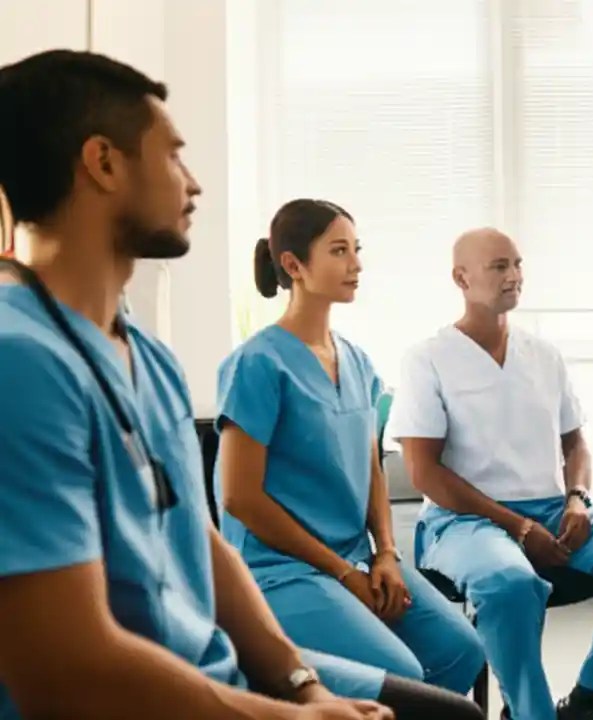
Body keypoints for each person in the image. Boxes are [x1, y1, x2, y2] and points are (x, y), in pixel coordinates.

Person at [0, 49, 394, 719]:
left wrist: (305, 685)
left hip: (214, 667)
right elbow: (64, 673)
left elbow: (201, 541)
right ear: (103, 162)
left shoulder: (147, 356)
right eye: (173, 156)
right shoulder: (21, 365)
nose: (194, 182)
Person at [385, 227, 593, 720]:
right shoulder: (427, 359)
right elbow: (424, 472)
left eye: (518, 264)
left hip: (550, 507)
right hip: (463, 522)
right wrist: (517, 527)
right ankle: (529, 713)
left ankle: (586, 701)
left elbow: (575, 441)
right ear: (461, 277)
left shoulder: (543, 355)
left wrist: (578, 497)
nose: (514, 276)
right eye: (499, 266)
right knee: (509, 583)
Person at [215, 199, 487, 706]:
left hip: (356, 558)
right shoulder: (257, 363)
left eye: (356, 250)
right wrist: (344, 574)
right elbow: (239, 499)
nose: (356, 264)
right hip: (279, 571)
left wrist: (385, 552)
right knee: (400, 672)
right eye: (339, 251)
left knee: (460, 650)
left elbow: (371, 471)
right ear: (294, 266)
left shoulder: (358, 363)